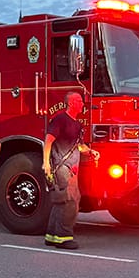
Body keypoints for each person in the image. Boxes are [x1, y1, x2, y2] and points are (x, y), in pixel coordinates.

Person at [42, 91, 98, 250]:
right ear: (72, 103)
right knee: (70, 201)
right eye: (79, 101)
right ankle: (64, 237)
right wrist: (46, 163)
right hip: (62, 167)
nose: (82, 104)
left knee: (60, 200)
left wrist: (90, 151)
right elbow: (48, 140)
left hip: (72, 168)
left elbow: (79, 145)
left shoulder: (77, 124)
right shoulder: (60, 120)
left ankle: (51, 236)